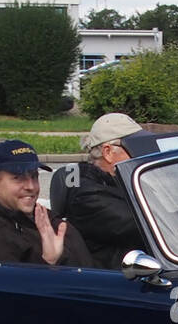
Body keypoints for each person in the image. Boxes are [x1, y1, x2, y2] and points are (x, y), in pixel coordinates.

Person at [0, 139, 94, 266]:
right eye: (18, 178)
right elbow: (11, 283)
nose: (31, 186)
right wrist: (48, 262)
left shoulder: (46, 219)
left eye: (34, 176)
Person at [62, 112, 147, 269]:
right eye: (135, 147)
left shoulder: (123, 181)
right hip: (118, 280)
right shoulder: (88, 196)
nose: (143, 153)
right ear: (108, 152)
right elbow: (144, 224)